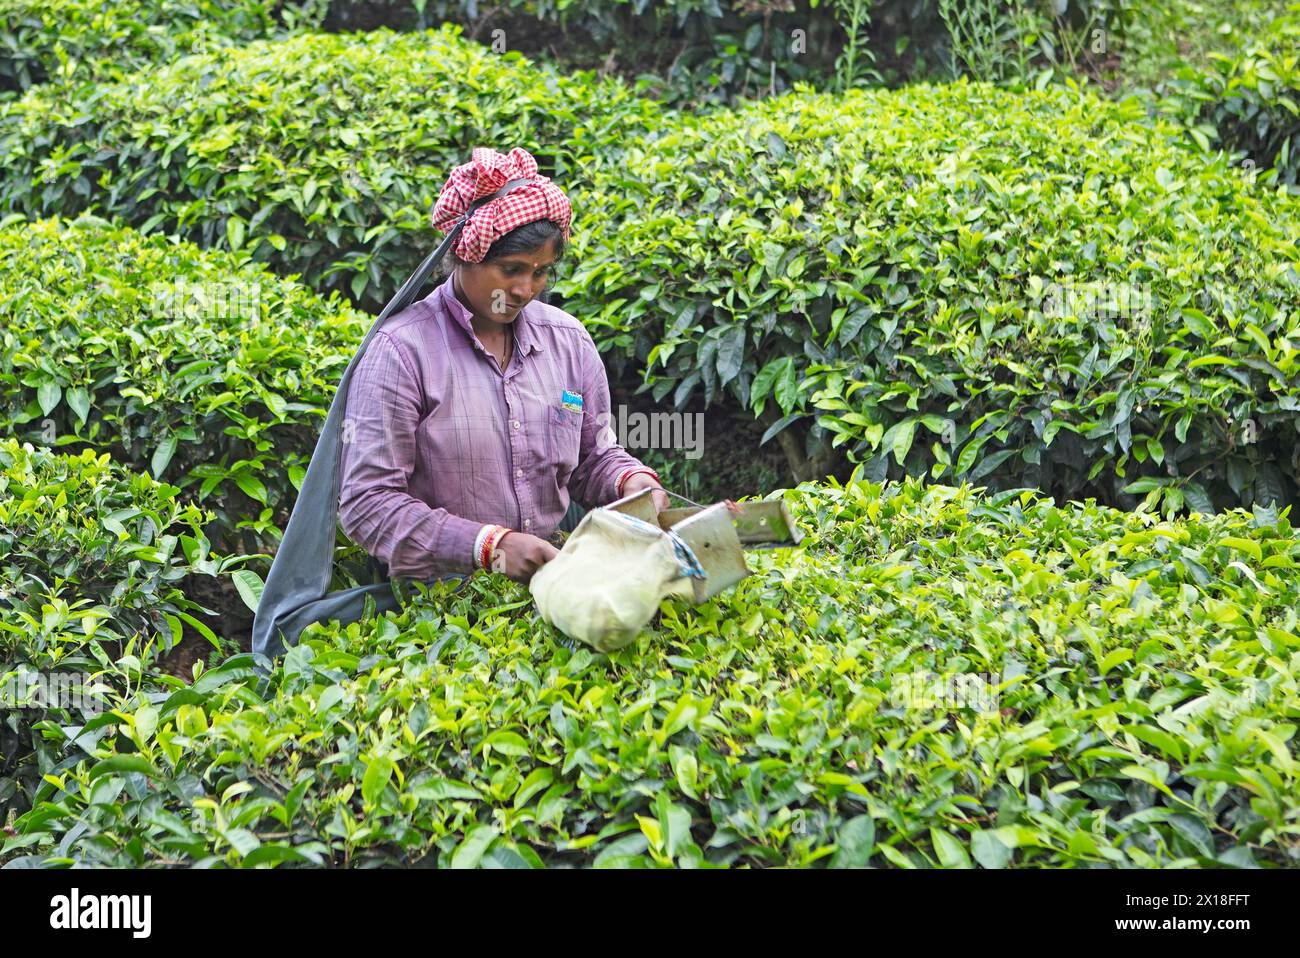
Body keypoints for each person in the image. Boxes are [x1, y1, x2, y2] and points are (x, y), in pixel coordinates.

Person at [338, 146, 668, 587]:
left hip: (551, 591)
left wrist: (631, 481)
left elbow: (592, 456)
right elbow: (367, 503)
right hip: (438, 608)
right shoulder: (402, 351)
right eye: (510, 269)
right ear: (465, 255)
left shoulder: (568, 342)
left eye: (541, 272)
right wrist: (489, 547)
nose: (525, 289)